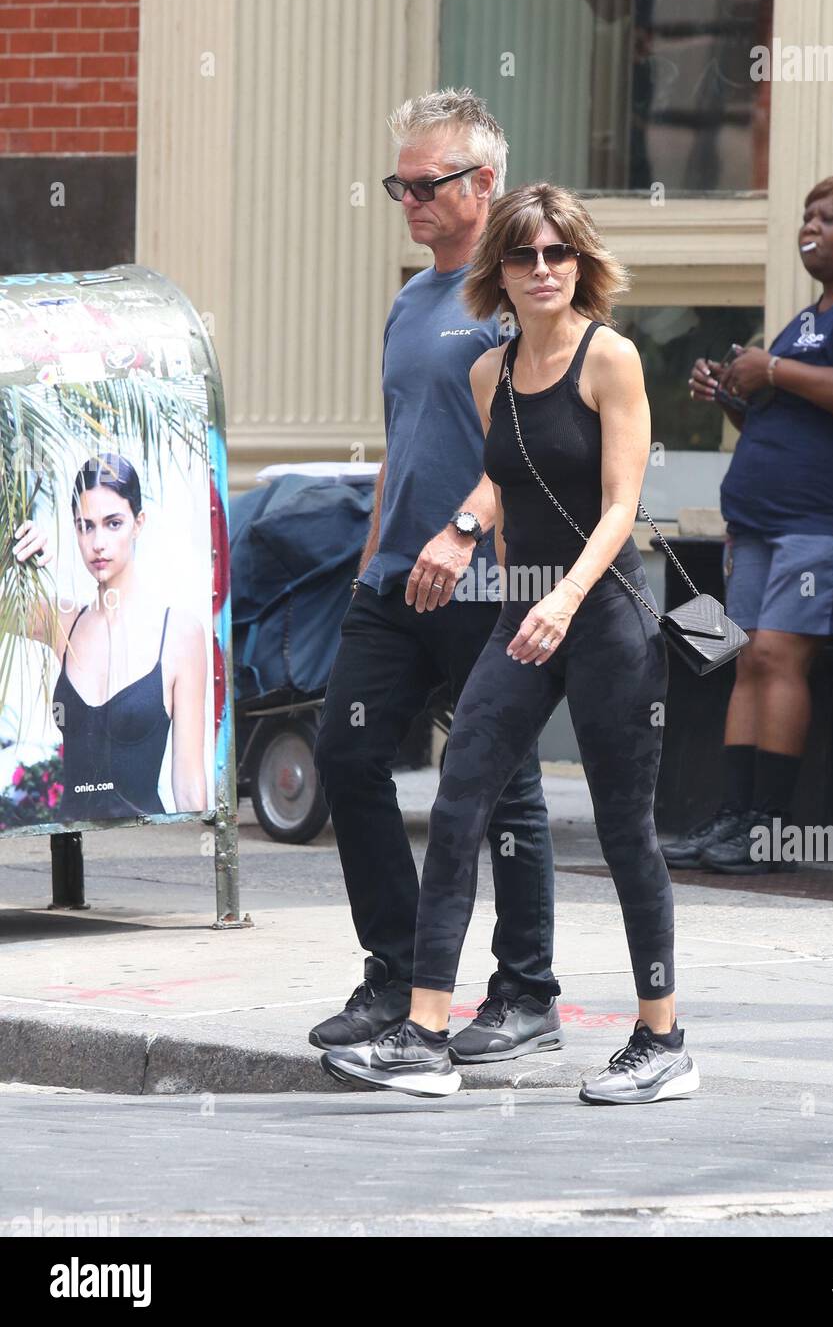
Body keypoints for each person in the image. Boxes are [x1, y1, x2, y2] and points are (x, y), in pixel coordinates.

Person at [321, 183, 700, 1105]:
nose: (541, 271)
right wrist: (468, 539)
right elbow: (507, 486)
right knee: (458, 807)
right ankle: (424, 1033)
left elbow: (619, 507)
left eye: (557, 254)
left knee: (622, 832)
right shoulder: (487, 373)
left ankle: (662, 1041)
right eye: (524, 256)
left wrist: (563, 601)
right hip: (518, 616)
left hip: (601, 616)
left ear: (581, 264)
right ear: (500, 270)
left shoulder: (610, 358)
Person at [311, 91, 562, 1064]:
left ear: (486, 181)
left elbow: (537, 441)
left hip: (495, 580)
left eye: (429, 184)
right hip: (394, 585)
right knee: (345, 755)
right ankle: (398, 972)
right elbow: (402, 447)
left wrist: (465, 529)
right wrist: (373, 563)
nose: (410, 200)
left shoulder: (524, 296)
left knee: (503, 790)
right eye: (399, 186)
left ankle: (526, 991)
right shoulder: (412, 301)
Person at [664, 175, 833, 874]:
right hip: (757, 522)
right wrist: (731, 393)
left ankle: (767, 829)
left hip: (830, 523)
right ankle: (730, 819)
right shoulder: (802, 320)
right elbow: (772, 418)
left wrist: (773, 369)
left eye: (829, 217)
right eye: (806, 214)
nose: (809, 225)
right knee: (743, 658)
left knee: (778, 657)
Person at [12, 453, 207, 821]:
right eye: (86, 526)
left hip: (144, 856)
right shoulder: (61, 622)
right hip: (69, 850)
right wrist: (12, 552)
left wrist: (201, 855)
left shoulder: (180, 633)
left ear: (138, 523)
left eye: (113, 523)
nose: (98, 542)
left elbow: (188, 782)